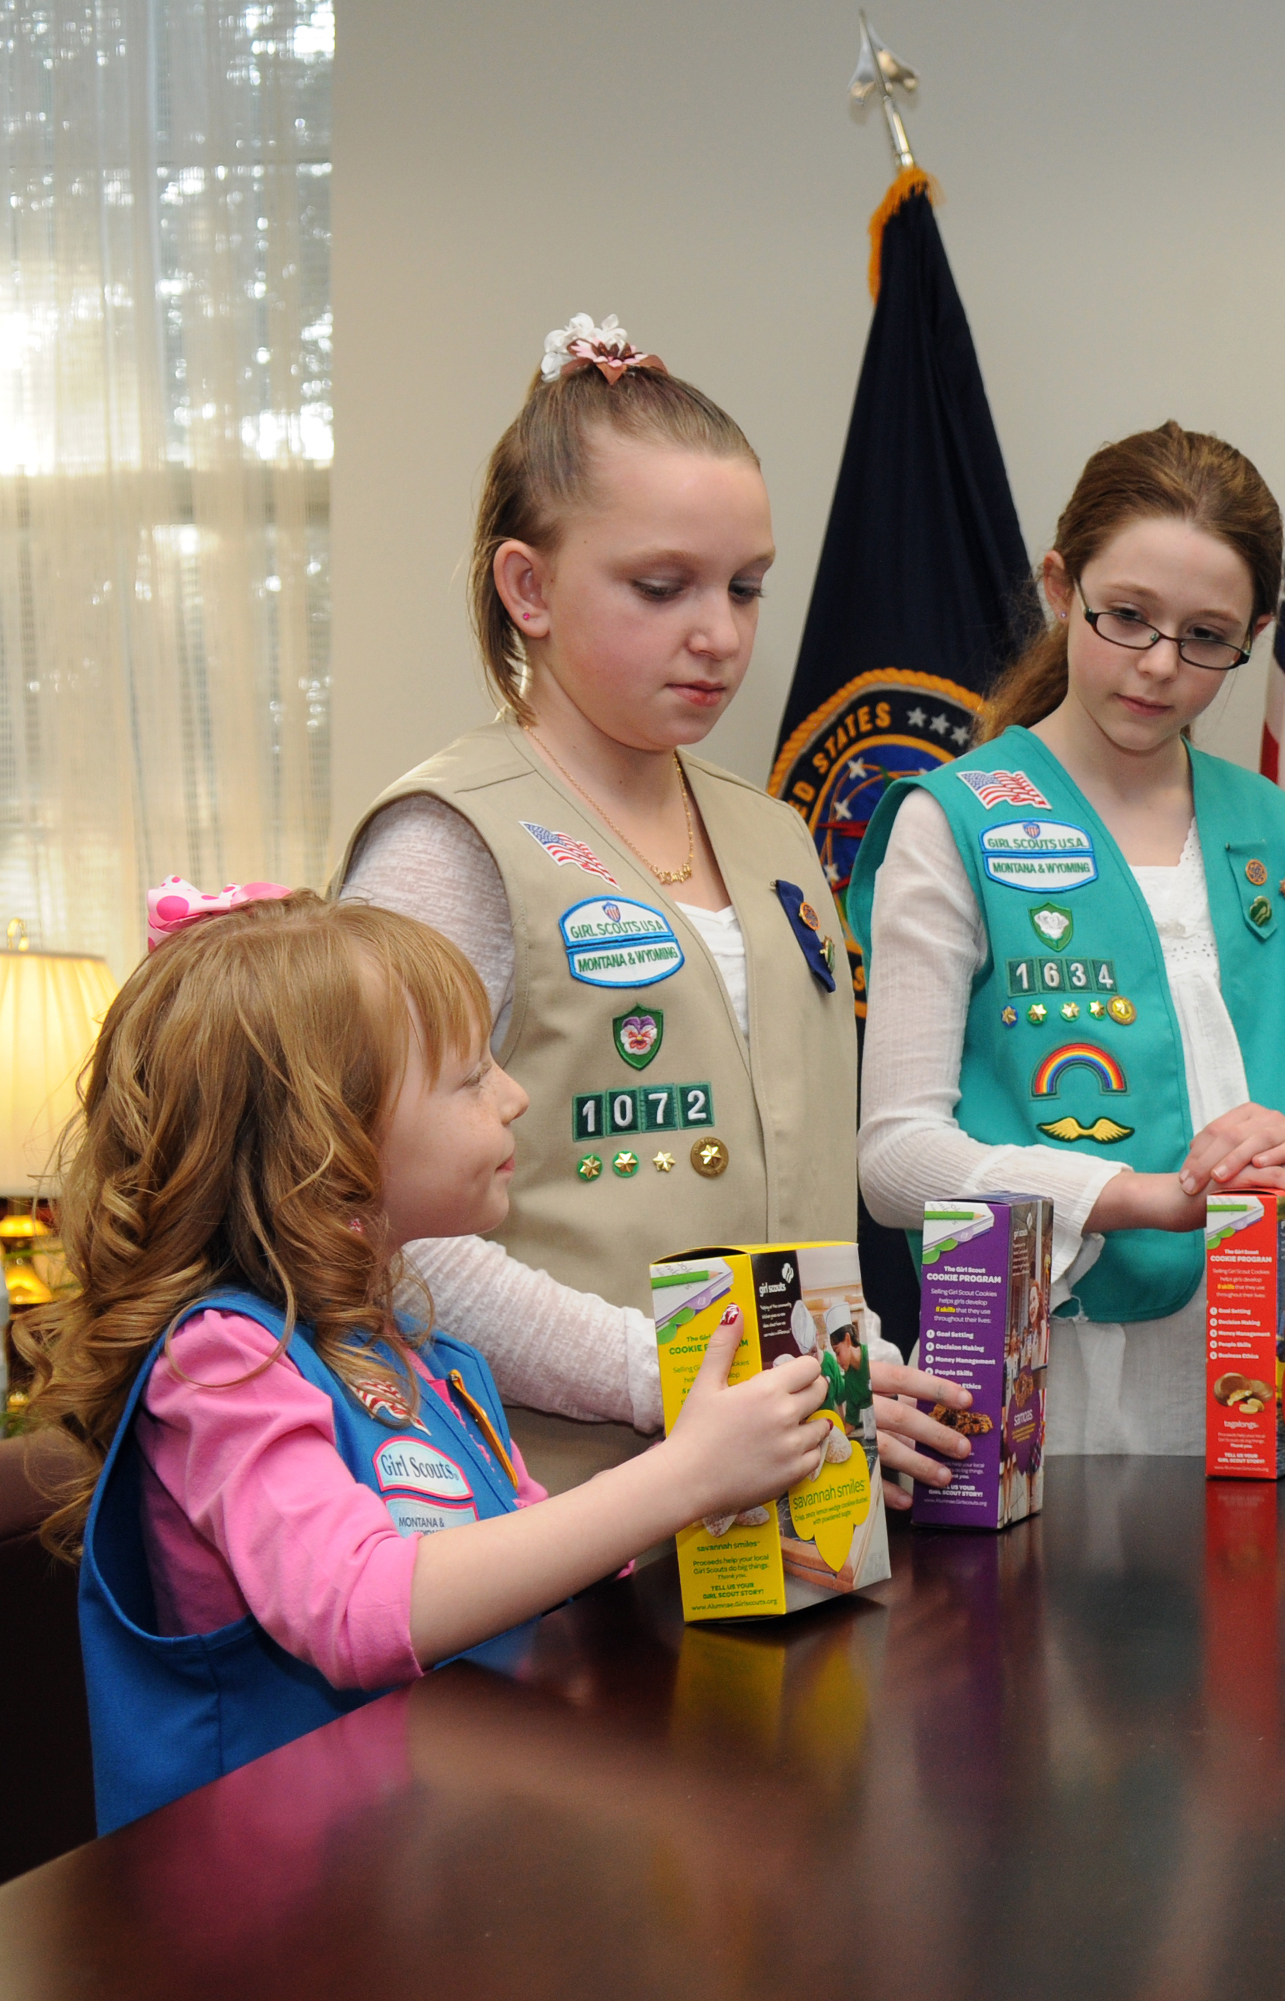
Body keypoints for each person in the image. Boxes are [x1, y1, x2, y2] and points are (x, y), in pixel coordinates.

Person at [329, 314, 969, 1500]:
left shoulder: (777, 836)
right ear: (528, 586)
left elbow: (793, 1182)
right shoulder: (447, 841)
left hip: (797, 1510)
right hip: (540, 1518)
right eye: (661, 586)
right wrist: (672, 1376)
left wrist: (857, 1374)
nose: (719, 634)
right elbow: (376, 1231)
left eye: (746, 586)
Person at [30, 886, 831, 1832]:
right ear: (327, 1148)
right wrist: (679, 1475)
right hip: (274, 1917)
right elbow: (359, 1611)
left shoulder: (427, 1359)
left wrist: (715, 1518)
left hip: (420, 1854)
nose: (515, 1093)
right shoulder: (219, 1365)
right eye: (469, 1078)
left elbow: (537, 1564)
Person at [848, 423, 1285, 1453]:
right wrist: (1145, 1199)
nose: (1157, 668)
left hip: (1270, 1348)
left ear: (1257, 630)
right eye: (1127, 617)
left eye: (1205, 637)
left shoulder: (1281, 831)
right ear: (1060, 586)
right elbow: (898, 1159)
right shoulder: (955, 818)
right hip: (1059, 1364)